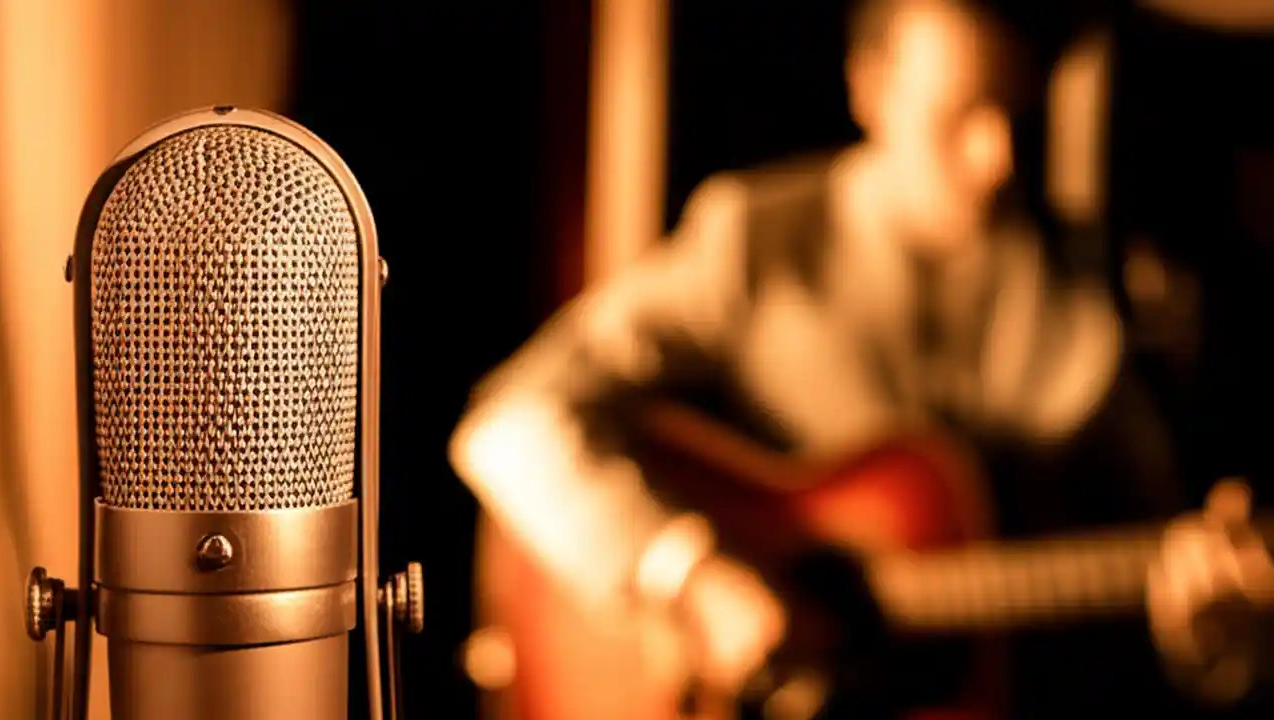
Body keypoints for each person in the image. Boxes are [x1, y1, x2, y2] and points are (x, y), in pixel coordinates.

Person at [449, 0, 1219, 715]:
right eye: (955, 118)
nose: (997, 158)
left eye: (1020, 116)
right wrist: (689, 574)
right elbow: (511, 423)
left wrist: (1209, 642)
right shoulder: (756, 239)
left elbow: (1142, 584)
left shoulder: (1100, 289)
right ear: (872, 88)